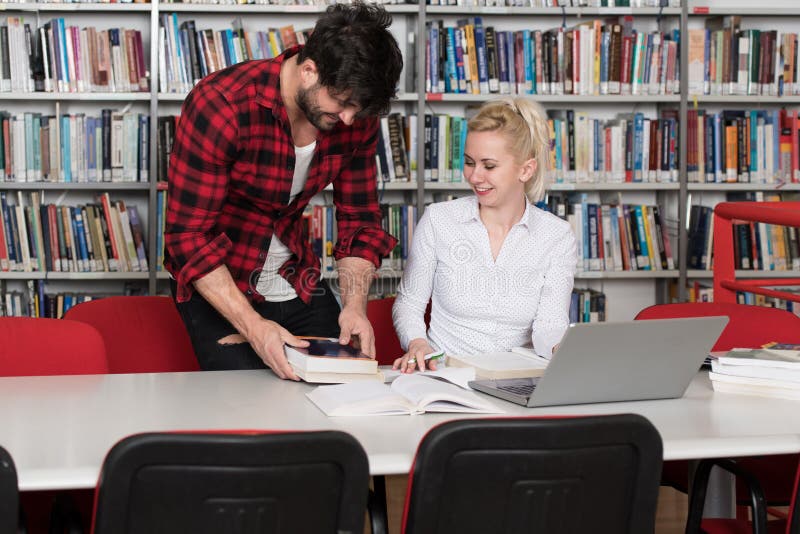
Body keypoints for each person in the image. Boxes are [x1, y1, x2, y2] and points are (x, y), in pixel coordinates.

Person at [164, 2, 403, 379]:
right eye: (341, 104)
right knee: (248, 401)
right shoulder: (222, 104)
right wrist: (253, 327)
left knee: (344, 385)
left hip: (297, 277)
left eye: (358, 110)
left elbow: (359, 220)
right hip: (222, 281)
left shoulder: (354, 114)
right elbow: (188, 237)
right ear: (309, 70)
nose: (349, 120)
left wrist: (355, 306)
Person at [392, 97, 577, 373]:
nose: (475, 176)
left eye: (489, 166)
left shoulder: (556, 236)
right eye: (469, 162)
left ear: (525, 169)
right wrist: (418, 342)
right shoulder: (439, 220)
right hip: (445, 376)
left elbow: (549, 325)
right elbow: (409, 303)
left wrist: (558, 348)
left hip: (516, 378)